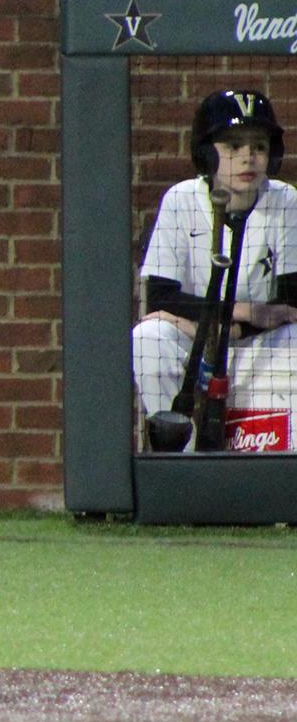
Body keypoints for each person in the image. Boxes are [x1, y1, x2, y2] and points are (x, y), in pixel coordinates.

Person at [133, 88, 297, 452]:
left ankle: (283, 474)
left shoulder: (286, 200)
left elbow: (289, 303)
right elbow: (159, 297)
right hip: (192, 342)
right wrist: (244, 311)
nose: (247, 158)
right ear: (207, 154)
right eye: (232, 147)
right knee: (149, 338)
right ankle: (180, 464)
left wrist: (229, 326)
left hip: (256, 343)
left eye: (257, 146)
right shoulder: (181, 199)